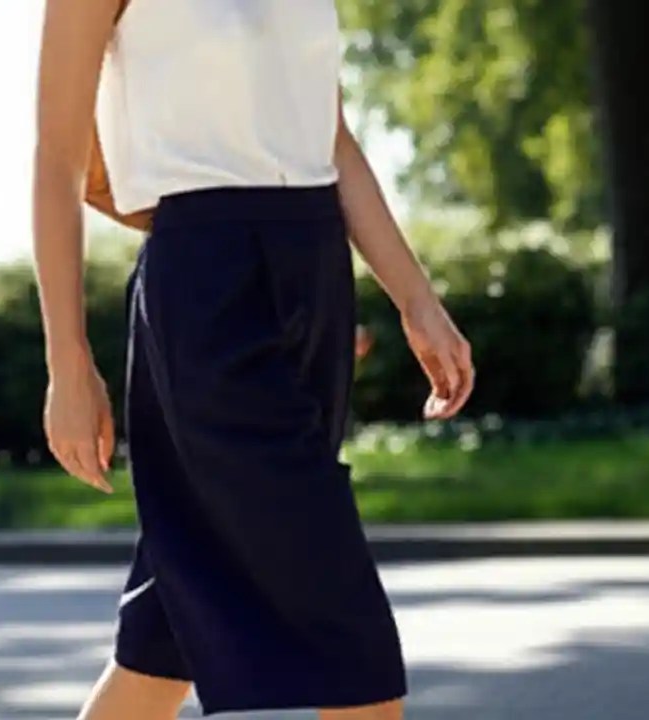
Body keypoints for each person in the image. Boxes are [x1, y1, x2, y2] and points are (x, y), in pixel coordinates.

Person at [33, 2, 474, 717]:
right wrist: (68, 362)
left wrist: (416, 300)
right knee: (348, 635)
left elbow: (334, 143)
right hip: (205, 291)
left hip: (315, 276)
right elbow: (58, 159)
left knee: (165, 636)